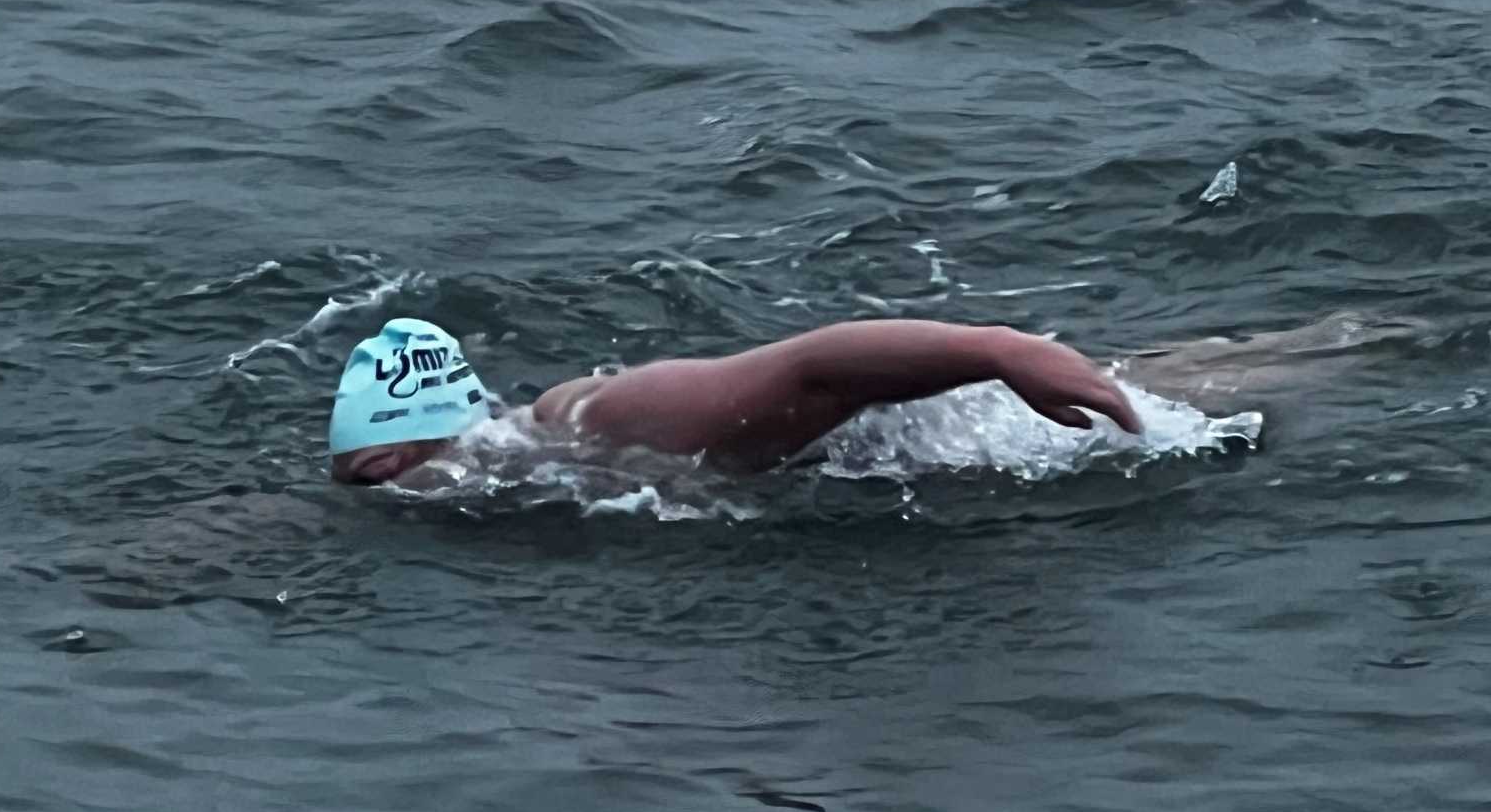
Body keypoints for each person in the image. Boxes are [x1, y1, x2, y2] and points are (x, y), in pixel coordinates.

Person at [328, 316, 1143, 487]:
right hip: (932, 425)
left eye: (371, 475)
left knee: (1224, 384)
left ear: (394, 454)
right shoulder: (538, 462)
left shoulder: (597, 423)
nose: (376, 489)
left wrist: (1000, 352)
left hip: (1010, 416)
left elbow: (810, 368)